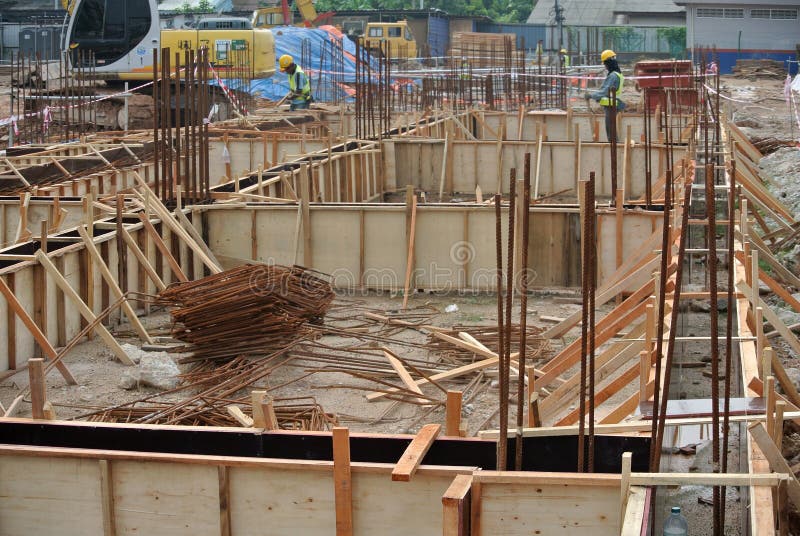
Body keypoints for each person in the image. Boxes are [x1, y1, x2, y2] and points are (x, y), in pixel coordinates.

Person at [586, 49, 626, 142]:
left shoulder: (613, 76)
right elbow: (607, 91)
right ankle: (614, 147)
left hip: (611, 106)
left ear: (609, 63)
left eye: (605, 63)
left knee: (610, 129)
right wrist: (598, 97)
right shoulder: (617, 74)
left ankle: (615, 148)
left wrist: (591, 95)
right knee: (611, 128)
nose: (605, 66)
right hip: (612, 105)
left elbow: (604, 91)